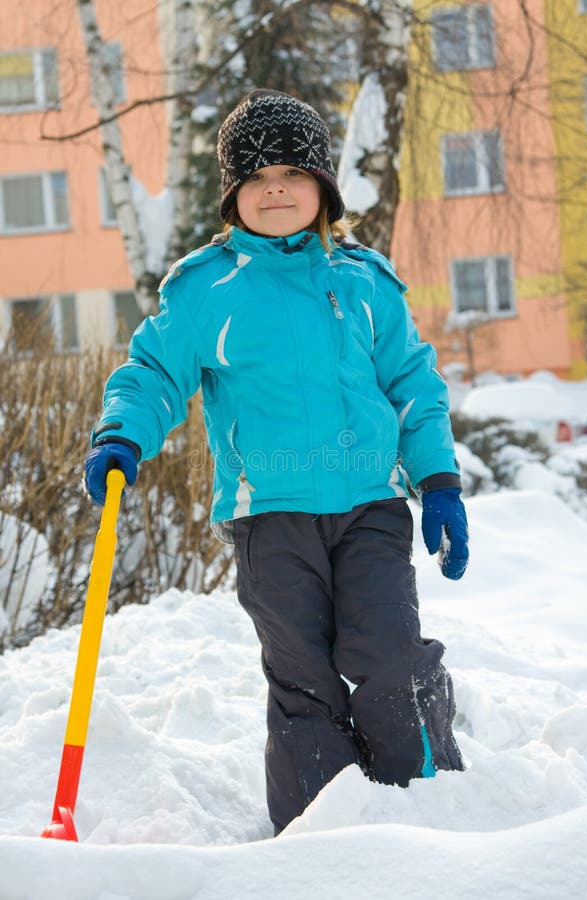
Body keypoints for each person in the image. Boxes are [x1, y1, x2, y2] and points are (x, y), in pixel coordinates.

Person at [85, 89, 469, 835]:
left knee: (390, 656)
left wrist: (439, 480)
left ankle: (428, 808)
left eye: (293, 173)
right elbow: (154, 371)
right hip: (269, 516)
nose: (276, 189)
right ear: (233, 195)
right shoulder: (207, 288)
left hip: (371, 506)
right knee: (302, 674)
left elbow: (412, 385)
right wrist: (123, 434)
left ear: (323, 186)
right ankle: (317, 834)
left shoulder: (364, 280)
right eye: (256, 177)